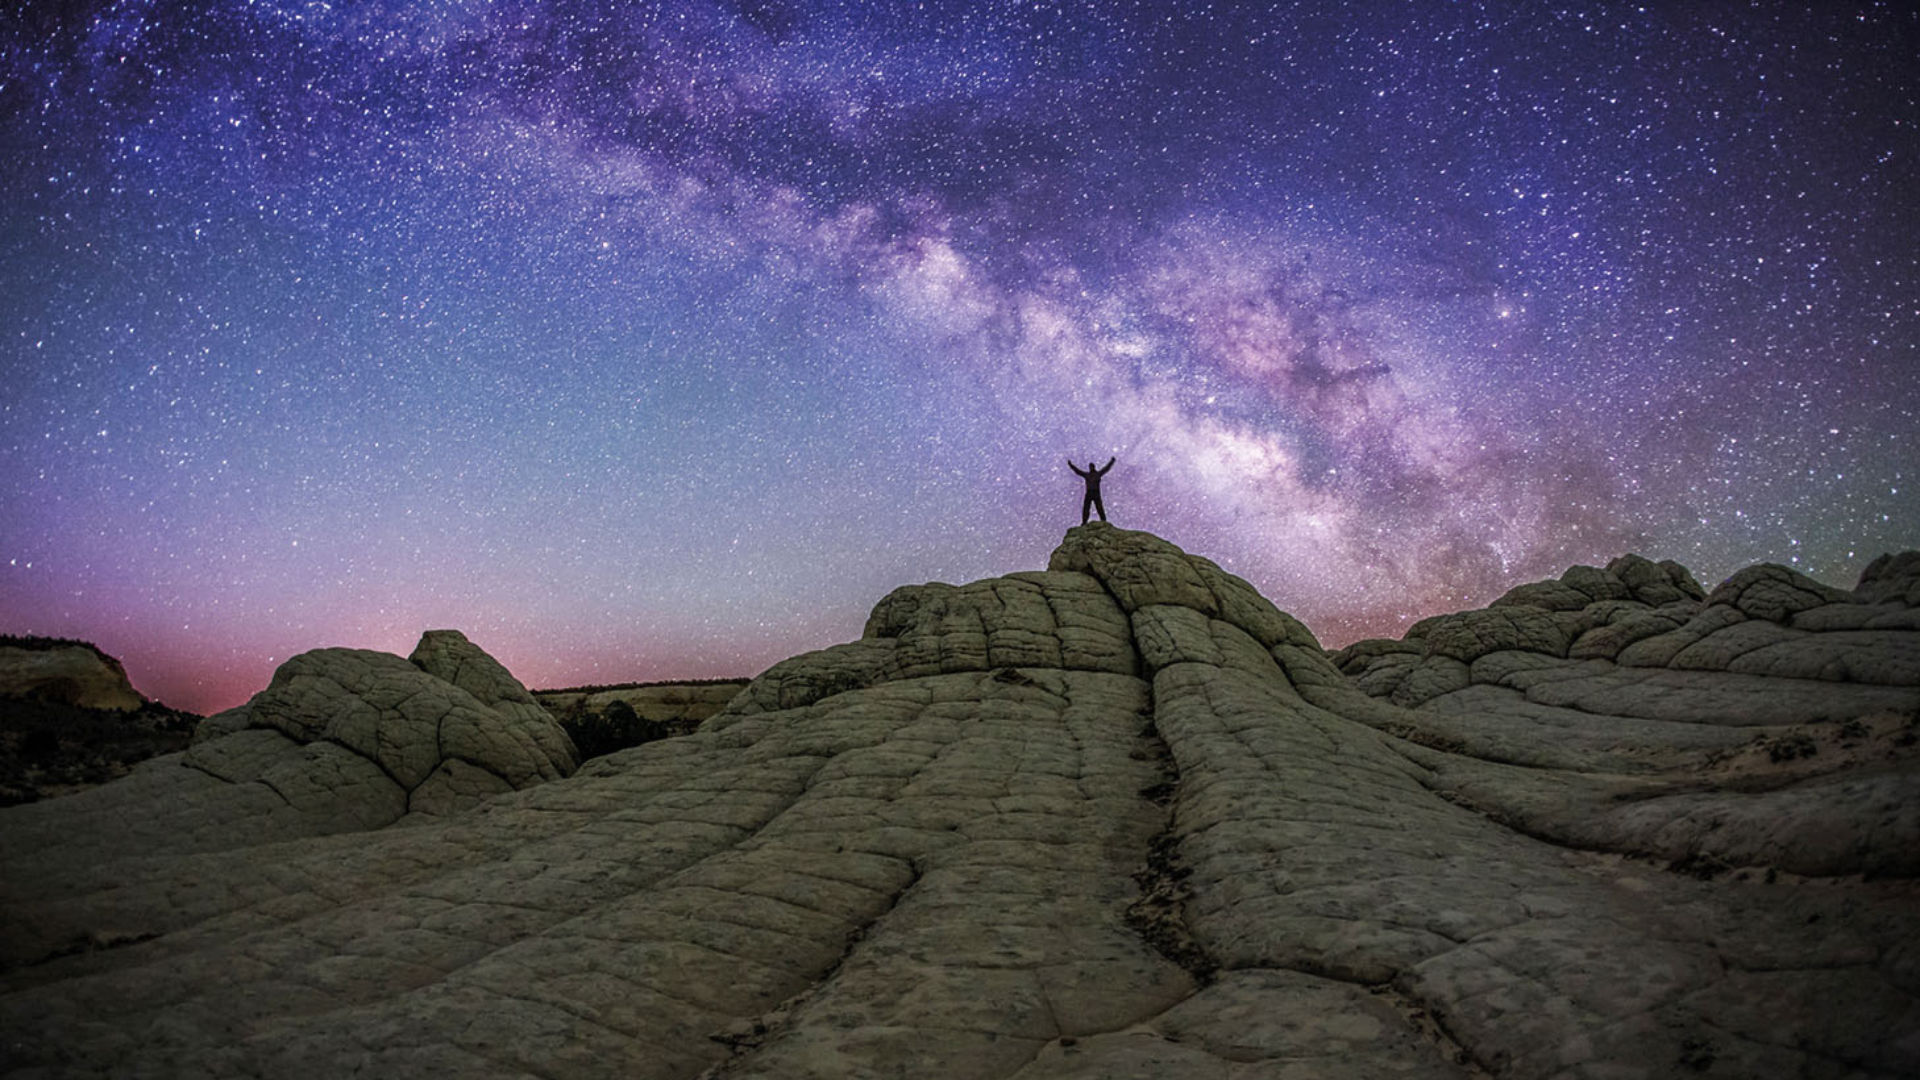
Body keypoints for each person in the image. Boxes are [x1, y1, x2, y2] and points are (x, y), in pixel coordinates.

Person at [1068, 457, 1115, 524]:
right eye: (1090, 467)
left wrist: (1111, 462)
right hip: (1089, 492)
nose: (1091, 468)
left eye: (1092, 466)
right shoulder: (1087, 475)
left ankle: (1103, 520)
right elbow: (1078, 471)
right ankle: (1084, 522)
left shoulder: (1098, 474)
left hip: (1096, 492)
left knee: (1099, 507)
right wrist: (1071, 465)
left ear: (1094, 467)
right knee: (1086, 508)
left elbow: (1106, 468)